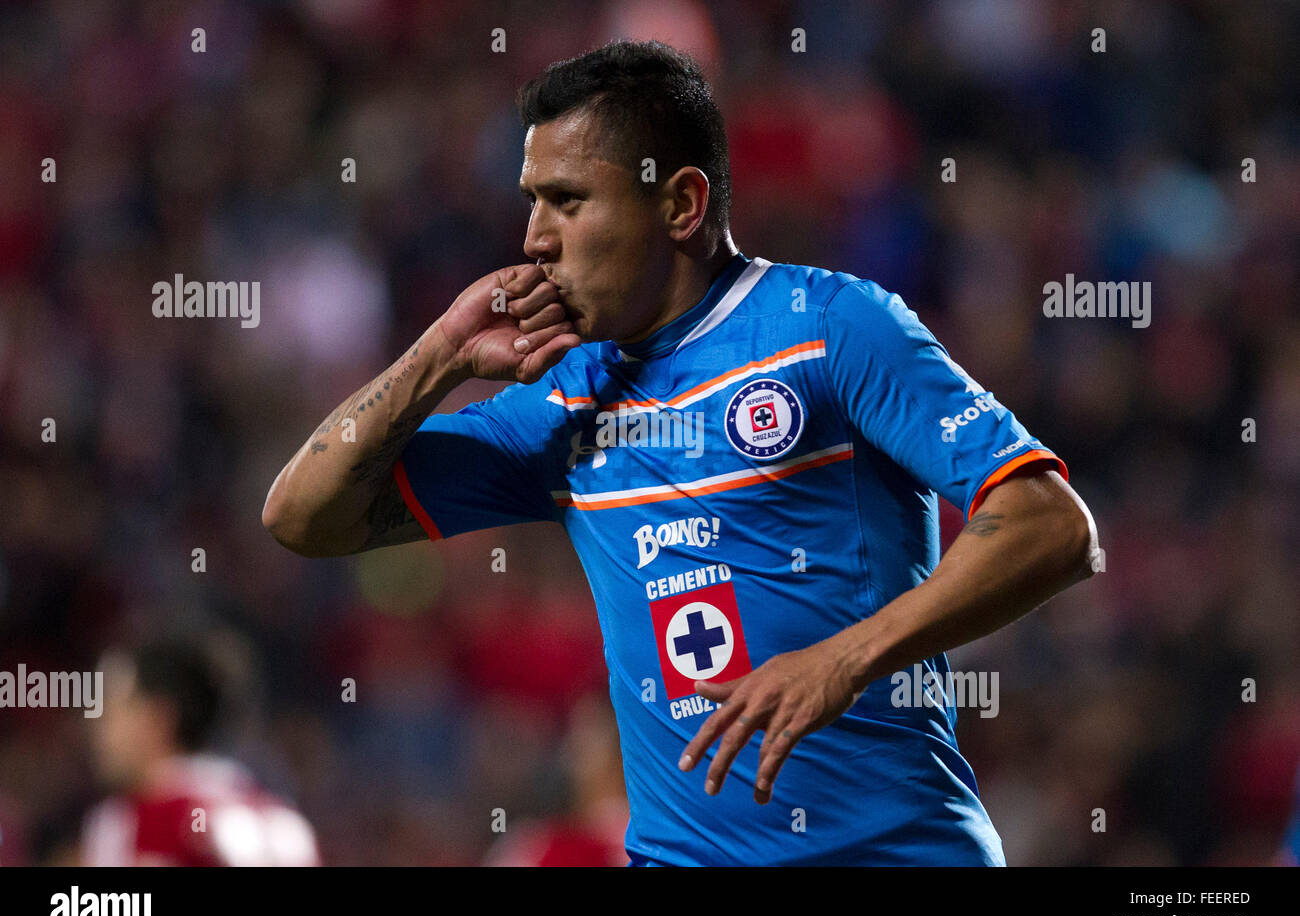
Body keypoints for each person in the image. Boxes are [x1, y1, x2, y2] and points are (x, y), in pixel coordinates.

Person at [263, 39, 1099, 865]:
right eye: (531, 201)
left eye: (566, 200)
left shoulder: (831, 329)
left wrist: (841, 662)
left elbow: (1052, 527)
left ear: (681, 204)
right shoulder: (554, 410)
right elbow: (303, 518)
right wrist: (438, 354)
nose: (534, 240)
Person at [81, 635, 320, 866]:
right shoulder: (282, 816)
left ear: (158, 717)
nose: (98, 731)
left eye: (111, 713)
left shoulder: (133, 822)